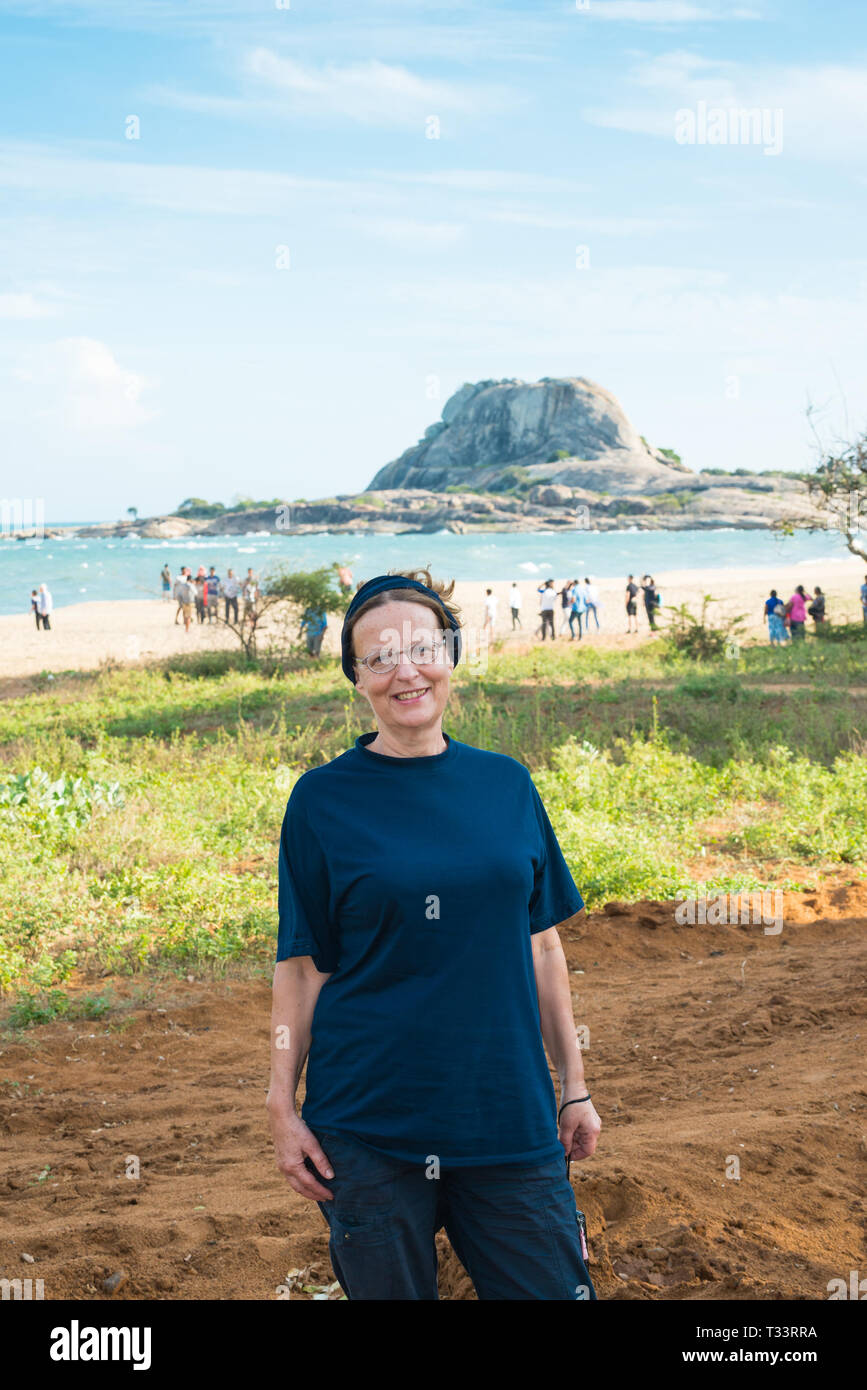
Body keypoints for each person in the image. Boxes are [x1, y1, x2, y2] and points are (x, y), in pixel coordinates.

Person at [267, 569, 600, 1301]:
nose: (404, 671)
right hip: (367, 1123)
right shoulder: (321, 800)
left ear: (451, 655)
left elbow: (542, 946)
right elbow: (301, 967)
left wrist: (573, 1088)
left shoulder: (506, 785)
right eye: (378, 658)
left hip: (505, 1114)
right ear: (355, 678)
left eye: (420, 648)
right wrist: (280, 1106)